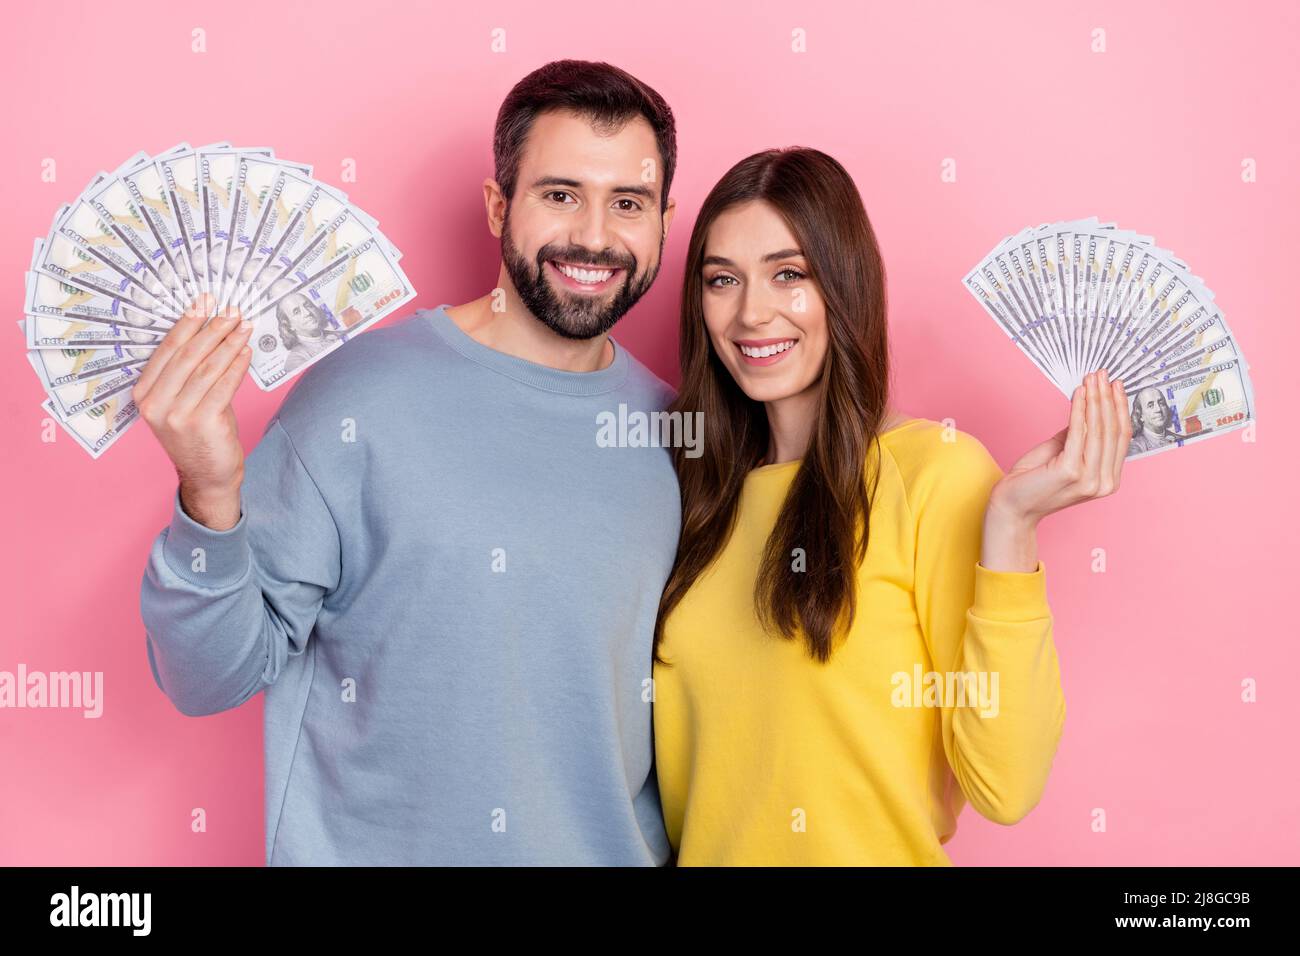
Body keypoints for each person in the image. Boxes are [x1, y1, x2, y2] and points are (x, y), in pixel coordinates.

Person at [134, 60, 680, 865]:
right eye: (560, 194)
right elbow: (208, 678)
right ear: (499, 206)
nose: (595, 236)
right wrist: (209, 493)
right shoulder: (356, 400)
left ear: (664, 220)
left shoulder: (683, 435)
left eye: (627, 203)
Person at [651, 147, 1132, 865]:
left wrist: (1010, 528)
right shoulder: (692, 495)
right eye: (722, 280)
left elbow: (1006, 786)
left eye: (790, 275)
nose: (752, 312)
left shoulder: (936, 473)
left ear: (845, 285)